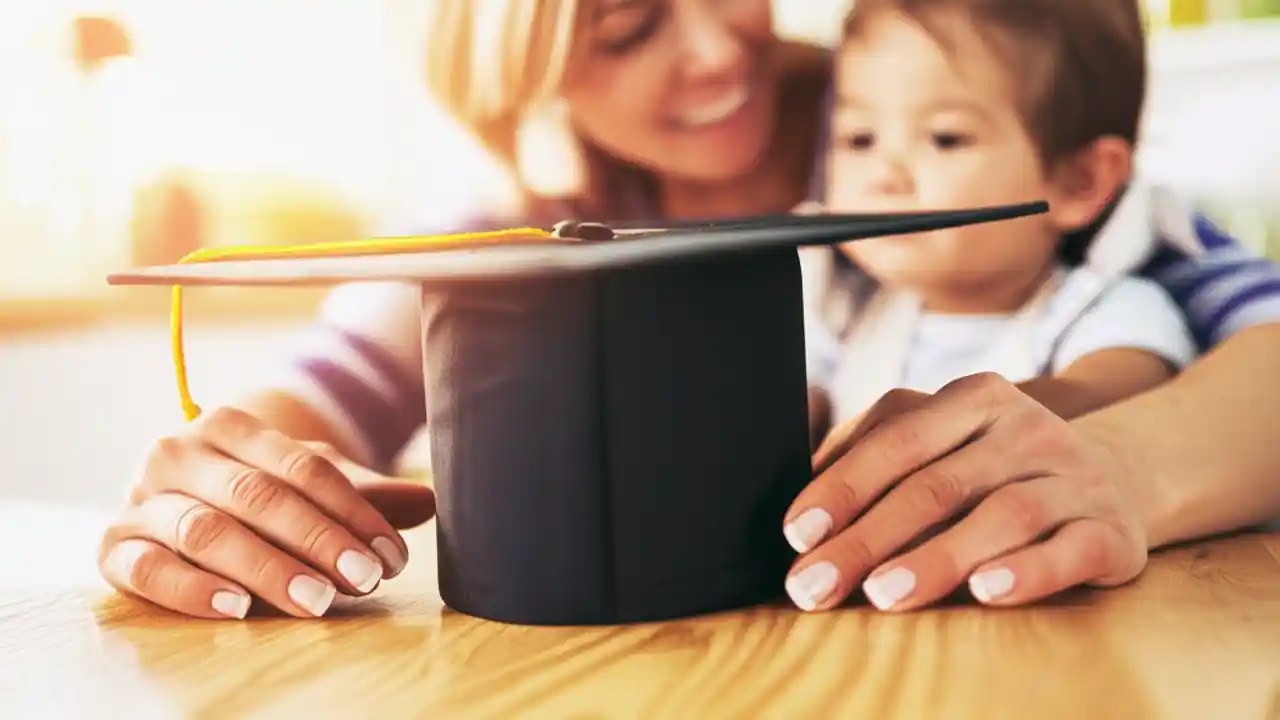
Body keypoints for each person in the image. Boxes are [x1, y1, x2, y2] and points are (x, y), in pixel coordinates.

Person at [98, 0, 1280, 620]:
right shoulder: (526, 212)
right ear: (527, 88)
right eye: (626, 30)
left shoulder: (919, 109)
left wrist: (1115, 462)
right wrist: (229, 489)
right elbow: (325, 392)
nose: (720, 49)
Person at [784, 0, 1198, 612]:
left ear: (1080, 179)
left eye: (945, 138)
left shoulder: (1103, 308)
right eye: (859, 138)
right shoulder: (844, 310)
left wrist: (976, 436)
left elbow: (1121, 390)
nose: (885, 175)